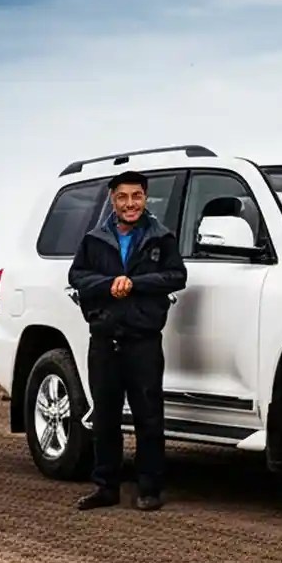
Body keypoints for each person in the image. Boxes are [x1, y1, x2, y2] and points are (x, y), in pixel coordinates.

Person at [67, 170, 187, 512]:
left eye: (136, 196)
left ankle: (150, 488)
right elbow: (77, 276)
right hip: (104, 339)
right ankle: (105, 487)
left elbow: (177, 276)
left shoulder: (161, 238)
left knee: (149, 417)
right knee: (105, 417)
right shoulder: (94, 239)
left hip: (143, 340)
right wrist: (110, 285)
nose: (130, 203)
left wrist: (135, 284)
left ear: (145, 197)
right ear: (112, 199)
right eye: (122, 197)